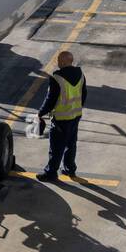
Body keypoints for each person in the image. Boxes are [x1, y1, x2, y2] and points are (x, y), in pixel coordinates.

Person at [36, 51, 87, 182]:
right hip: (75, 115)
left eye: (58, 60)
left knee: (56, 147)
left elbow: (51, 99)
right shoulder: (80, 75)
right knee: (71, 144)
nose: (57, 63)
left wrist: (41, 112)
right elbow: (84, 94)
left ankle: (51, 173)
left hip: (61, 119)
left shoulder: (57, 78)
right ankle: (70, 169)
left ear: (64, 62)